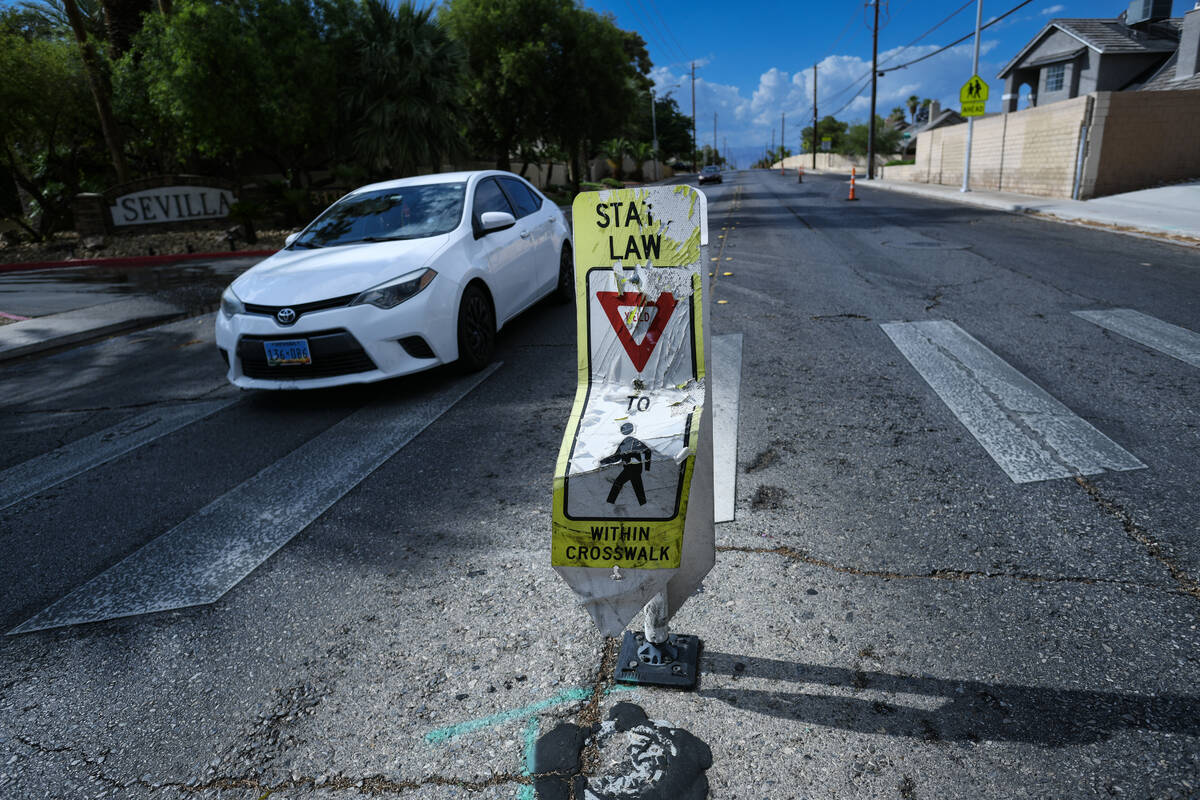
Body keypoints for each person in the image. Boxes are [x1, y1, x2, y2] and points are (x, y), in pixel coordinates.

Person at [601, 422, 652, 505]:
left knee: (618, 483)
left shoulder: (633, 441)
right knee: (638, 487)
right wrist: (603, 461)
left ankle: (610, 502)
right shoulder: (625, 442)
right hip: (633, 468)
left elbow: (648, 451)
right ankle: (643, 503)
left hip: (632, 468)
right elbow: (617, 457)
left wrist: (647, 467)